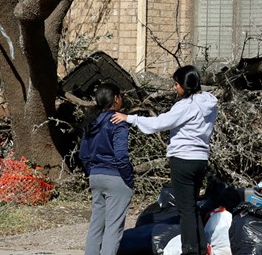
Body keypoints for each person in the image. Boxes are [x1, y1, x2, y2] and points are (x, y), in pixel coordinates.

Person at [113, 65, 218, 255]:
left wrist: (130, 118)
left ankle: (190, 251)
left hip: (183, 159)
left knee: (185, 210)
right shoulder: (209, 102)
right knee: (191, 206)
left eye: (176, 84)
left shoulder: (186, 106)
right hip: (200, 159)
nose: (174, 88)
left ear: (186, 86)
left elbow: (159, 123)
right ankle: (201, 248)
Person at [80, 83, 134, 255]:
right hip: (116, 177)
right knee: (113, 228)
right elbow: (121, 156)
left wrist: (93, 172)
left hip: (96, 176)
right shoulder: (118, 122)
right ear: (116, 99)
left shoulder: (92, 121)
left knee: (96, 226)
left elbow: (84, 155)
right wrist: (128, 179)